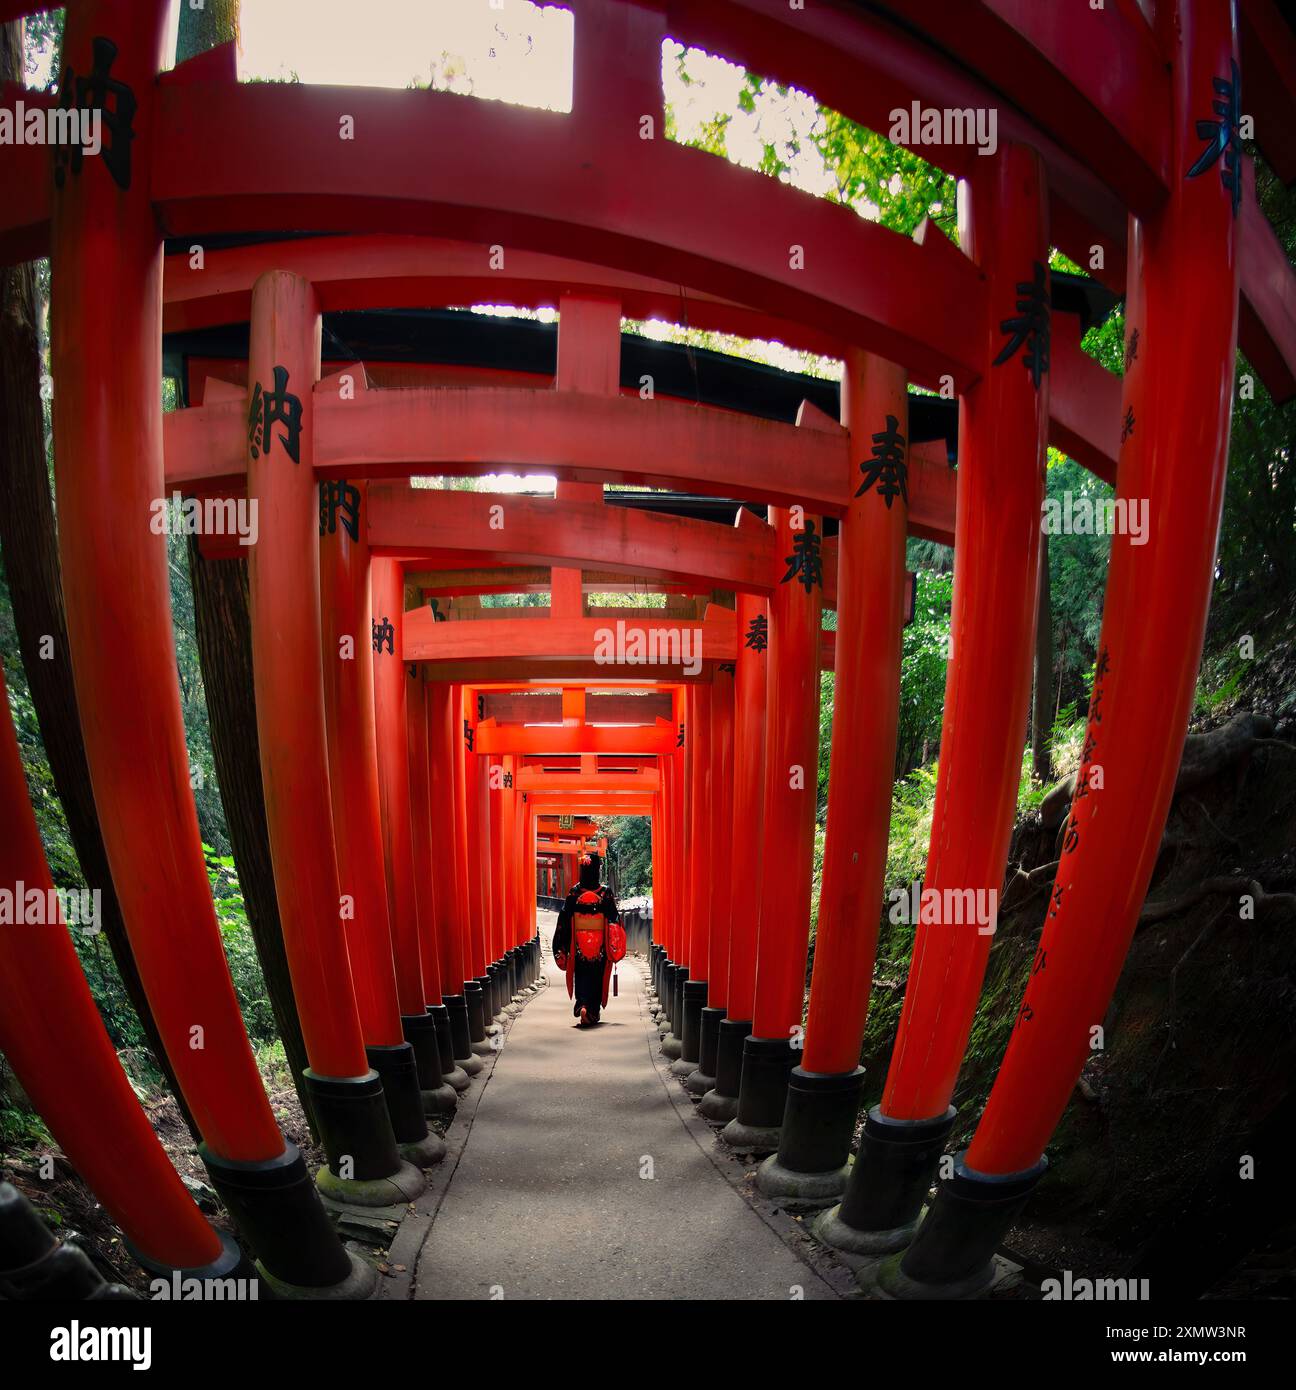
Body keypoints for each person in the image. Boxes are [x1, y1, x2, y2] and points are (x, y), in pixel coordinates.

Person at [552, 854, 624, 1026]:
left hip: (579, 945)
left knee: (582, 974)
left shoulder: (574, 892)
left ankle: (582, 1004)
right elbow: (614, 919)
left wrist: (562, 945)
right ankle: (591, 1010)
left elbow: (564, 919)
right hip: (600, 947)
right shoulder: (605, 893)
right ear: (597, 871)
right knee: (597, 976)